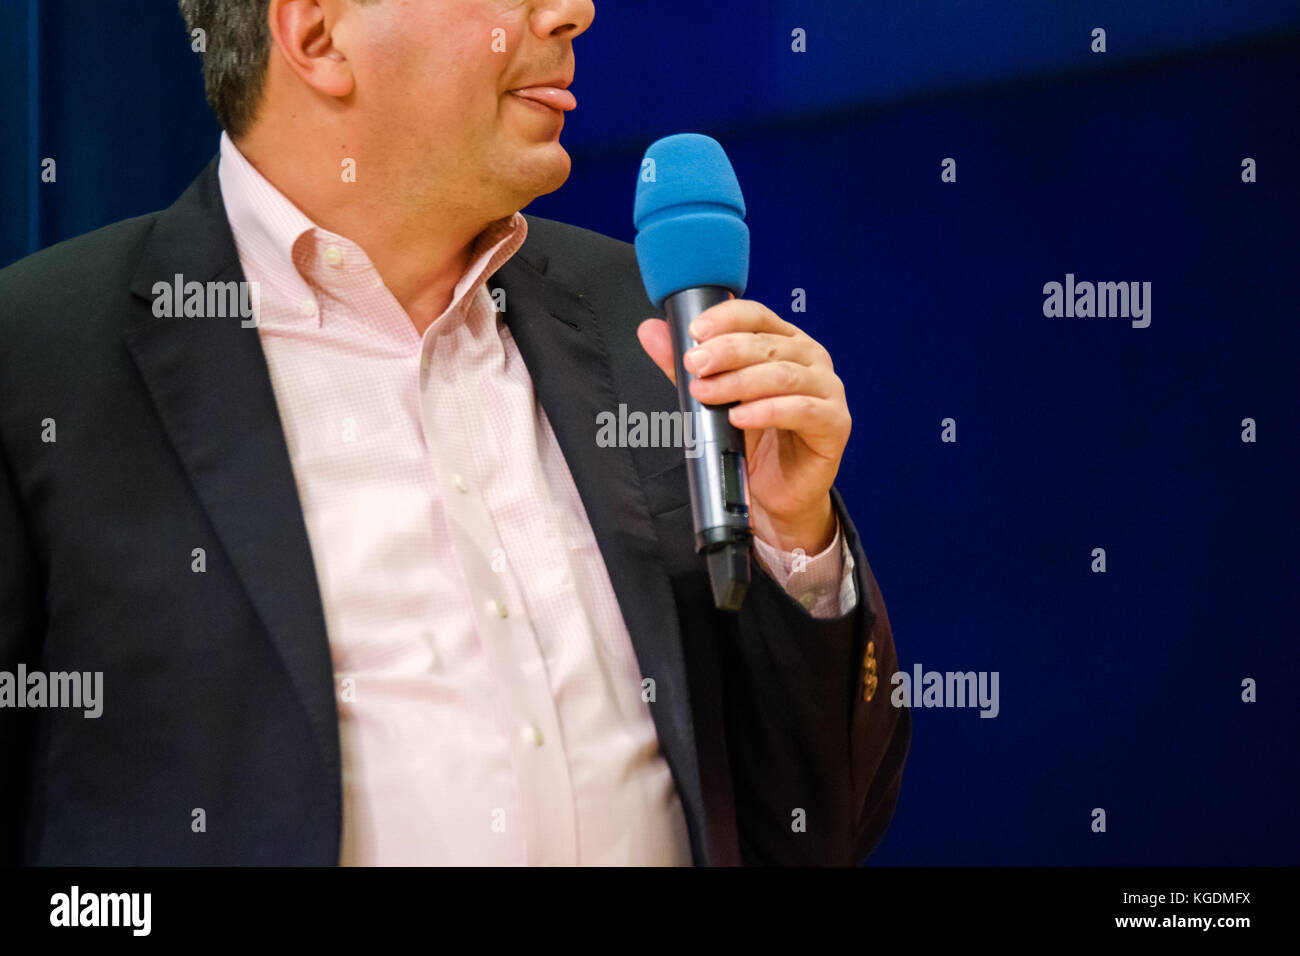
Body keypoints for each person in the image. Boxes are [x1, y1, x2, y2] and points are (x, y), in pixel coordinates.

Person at [0, 0, 909, 865]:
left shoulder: (649, 324)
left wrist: (795, 542)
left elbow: (817, 829)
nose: (572, 12)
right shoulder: (43, 360)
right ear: (317, 36)